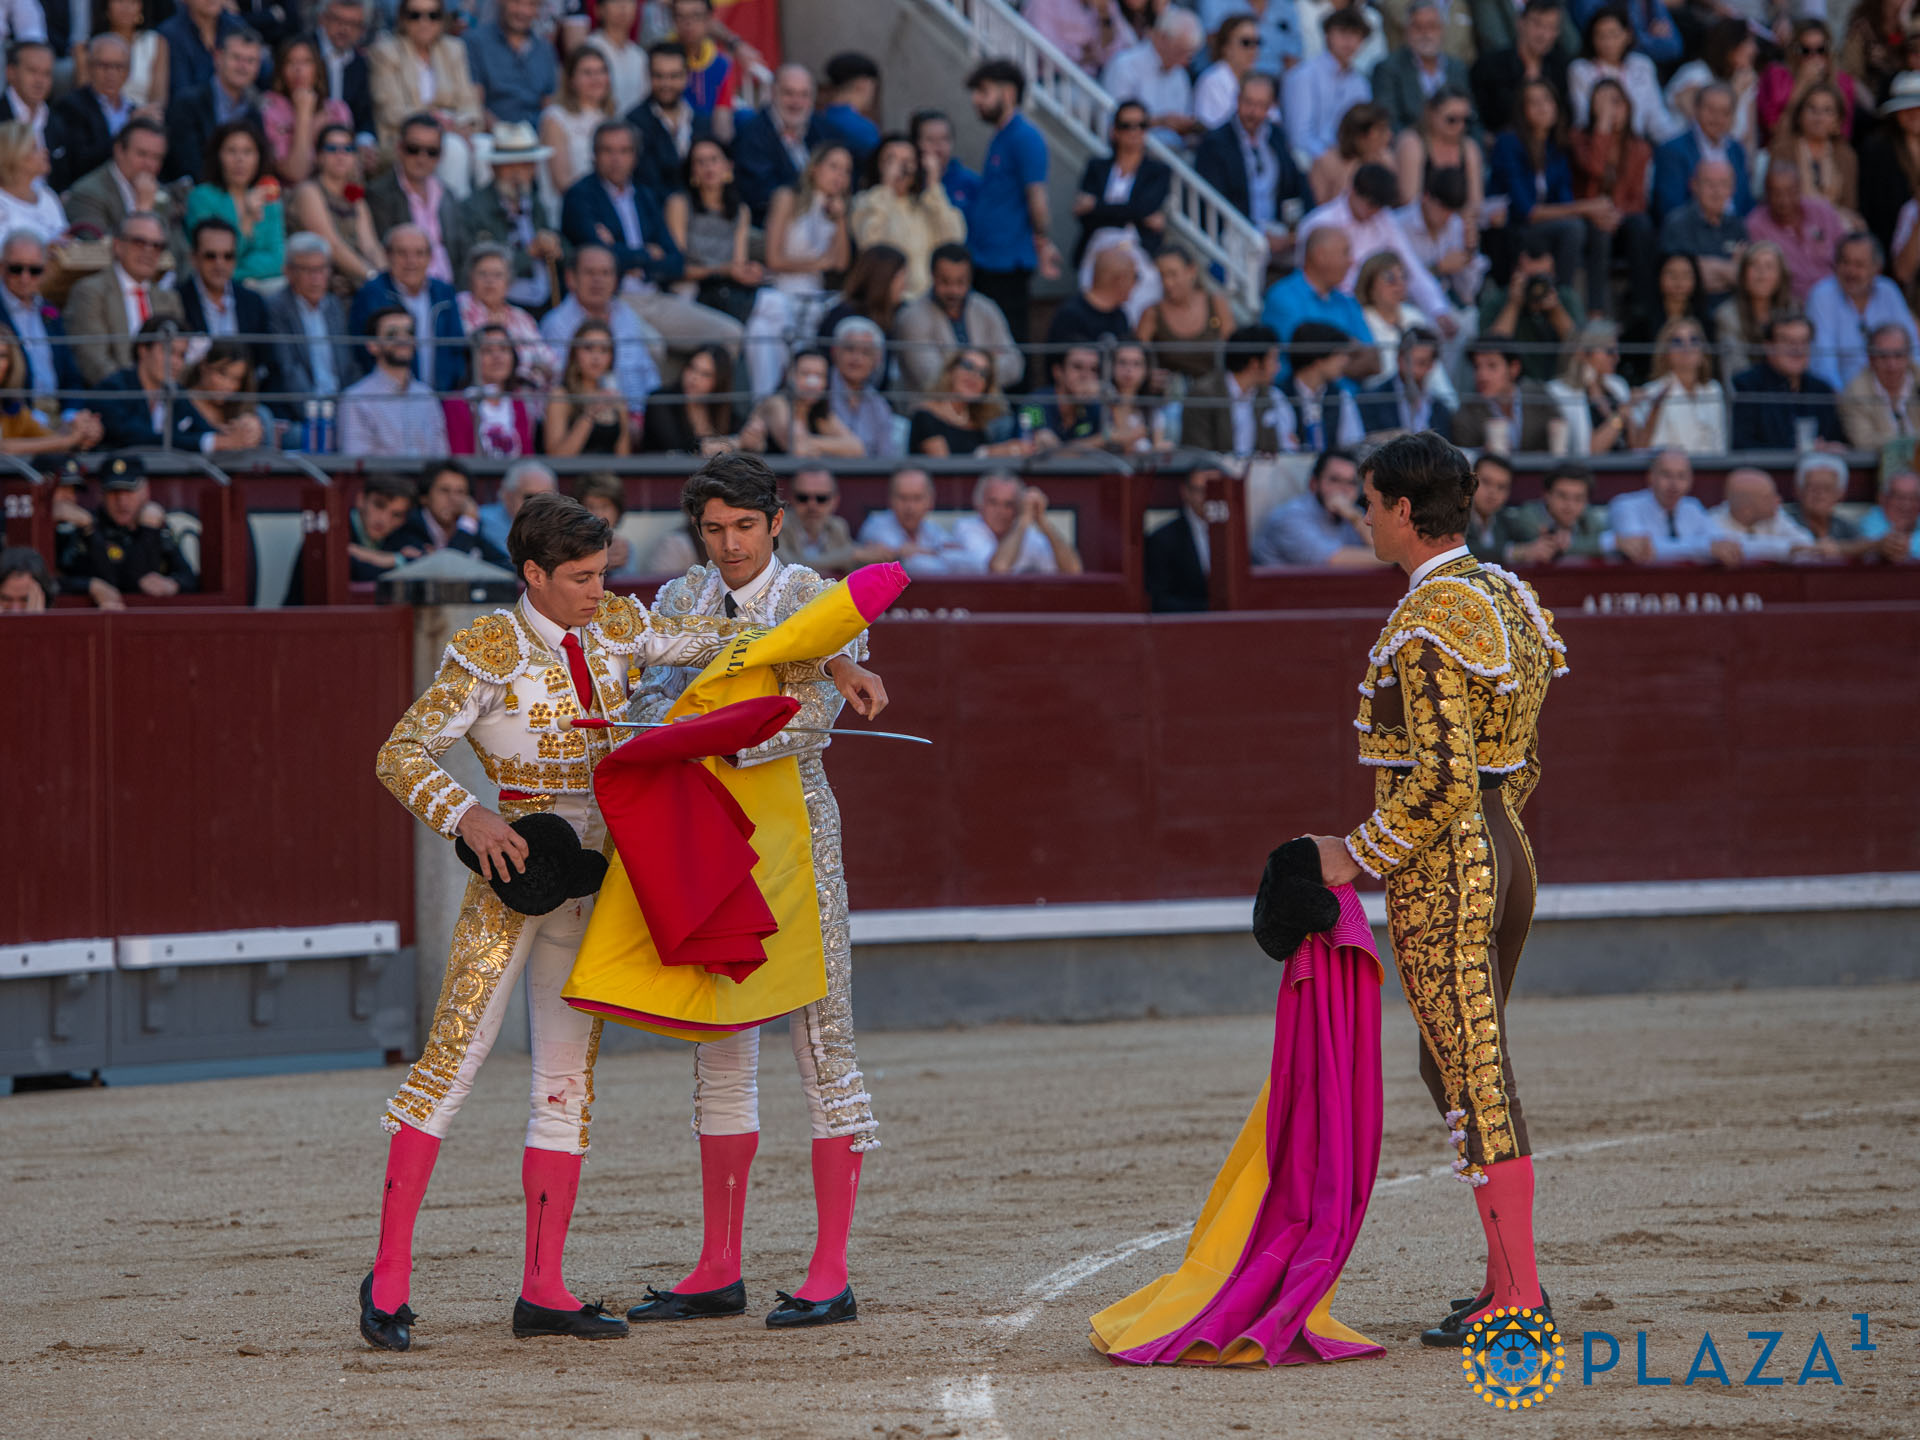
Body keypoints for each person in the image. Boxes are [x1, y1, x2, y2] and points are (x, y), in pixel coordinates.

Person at [359, 489, 818, 1352]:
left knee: (565, 1082)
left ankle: (544, 1287)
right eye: (579, 578)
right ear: (532, 574)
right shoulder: (489, 647)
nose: (597, 592)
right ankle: (387, 1282)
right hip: (516, 872)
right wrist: (470, 816)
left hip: (598, 881)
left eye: (604, 574)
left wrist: (830, 653)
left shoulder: (616, 623)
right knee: (450, 1066)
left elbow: (727, 639)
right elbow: (400, 752)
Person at [1303, 431, 1565, 1349]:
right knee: (1454, 1060)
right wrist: (1496, 843)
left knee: (1470, 1066)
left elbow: (1444, 777)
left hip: (1446, 866)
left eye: (1370, 503)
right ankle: (1504, 1282)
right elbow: (1515, 760)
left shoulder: (1426, 619)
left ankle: (1522, 1296)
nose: (1364, 517)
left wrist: (1358, 852)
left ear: (1405, 512)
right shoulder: (1503, 596)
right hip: (1506, 851)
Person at [619, 454, 889, 1332]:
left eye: (744, 527)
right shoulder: (679, 601)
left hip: (794, 835)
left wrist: (721, 739)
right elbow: (652, 696)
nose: (730, 545)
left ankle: (830, 1268)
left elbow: (814, 712)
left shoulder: (815, 597)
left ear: (776, 523)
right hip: (707, 834)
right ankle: (717, 1265)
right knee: (721, 1035)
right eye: (714, 529)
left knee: (822, 1036)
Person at [561, 118, 742, 357]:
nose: (616, 159)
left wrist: (628, 257)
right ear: (594, 154)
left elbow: (676, 259)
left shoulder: (645, 195)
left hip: (654, 296)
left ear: (635, 156)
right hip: (613, 301)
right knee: (653, 347)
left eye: (624, 151)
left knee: (731, 334)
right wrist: (646, 253)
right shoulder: (580, 196)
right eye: (608, 151)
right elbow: (599, 256)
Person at [1491, 78, 1613, 315]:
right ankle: (1563, 301)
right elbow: (1527, 211)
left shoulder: (1556, 147)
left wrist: (1593, 213)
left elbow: (1564, 202)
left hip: (1549, 230)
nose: (1542, 107)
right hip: (1514, 231)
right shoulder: (1508, 143)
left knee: (1598, 228)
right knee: (1574, 227)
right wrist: (1587, 207)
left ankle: (1596, 310)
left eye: (1547, 100)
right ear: (1522, 110)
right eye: (1534, 102)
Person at [1297, 162, 1457, 339]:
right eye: (1370, 205)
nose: (1374, 212)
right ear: (1353, 191)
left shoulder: (1384, 218)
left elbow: (1410, 265)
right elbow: (1306, 278)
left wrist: (1438, 310)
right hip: (1328, 307)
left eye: (1379, 207)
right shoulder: (1319, 223)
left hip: (1372, 311)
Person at [965, 58, 1060, 352]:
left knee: (1009, 340)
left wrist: (1042, 241)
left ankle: (1020, 399)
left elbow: (1037, 199)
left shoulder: (1025, 136)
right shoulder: (1004, 135)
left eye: (983, 91)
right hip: (987, 257)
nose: (975, 100)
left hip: (1007, 262)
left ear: (1008, 93)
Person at [745, 141, 852, 396]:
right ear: (815, 168)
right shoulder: (787, 199)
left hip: (816, 301)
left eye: (846, 171)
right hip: (780, 296)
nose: (840, 176)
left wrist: (841, 220)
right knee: (764, 339)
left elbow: (840, 263)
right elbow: (774, 258)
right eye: (834, 167)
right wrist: (817, 264)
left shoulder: (835, 212)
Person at [368, 0, 484, 195]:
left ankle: (484, 219)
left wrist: (461, 125)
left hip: (452, 128)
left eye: (433, 15)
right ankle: (452, 218)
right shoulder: (385, 52)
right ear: (403, 19)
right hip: (404, 137)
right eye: (415, 15)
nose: (425, 22)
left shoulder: (454, 49)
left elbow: (469, 103)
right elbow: (391, 112)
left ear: (442, 20)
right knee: (453, 150)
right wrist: (437, 122)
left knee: (485, 146)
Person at [64, 210, 185, 384]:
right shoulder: (90, 291)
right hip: (114, 398)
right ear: (118, 245)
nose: (148, 251)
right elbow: (93, 360)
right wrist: (137, 392)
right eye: (139, 242)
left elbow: (179, 357)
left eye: (157, 245)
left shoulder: (169, 299)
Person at [461, 120, 566, 320]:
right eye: (510, 166)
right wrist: (530, 253)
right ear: (494, 167)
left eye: (526, 165)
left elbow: (564, 249)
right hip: (500, 305)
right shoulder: (474, 208)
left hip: (544, 302)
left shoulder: (535, 203)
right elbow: (478, 266)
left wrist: (557, 248)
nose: (518, 174)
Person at [1569, 77, 1657, 308]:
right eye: (1603, 104)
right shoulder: (1578, 139)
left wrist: (1615, 213)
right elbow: (1595, 168)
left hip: (1622, 217)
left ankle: (1642, 307)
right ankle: (1596, 310)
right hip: (1586, 217)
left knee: (1642, 225)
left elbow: (1638, 198)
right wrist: (1603, 126)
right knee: (1599, 230)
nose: (1611, 110)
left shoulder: (1640, 147)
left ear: (1629, 106)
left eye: (1616, 102)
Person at [1193, 72, 1304, 251]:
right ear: (1237, 100)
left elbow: (1294, 182)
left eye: (1261, 105)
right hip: (1235, 234)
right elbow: (1215, 202)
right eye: (1248, 103)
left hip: (1276, 228)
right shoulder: (1215, 142)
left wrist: (1297, 227)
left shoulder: (1276, 136)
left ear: (1271, 106)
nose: (1254, 112)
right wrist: (1259, 234)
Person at [894, 243, 1022, 398]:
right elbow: (930, 377)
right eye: (945, 282)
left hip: (988, 412)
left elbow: (1015, 366)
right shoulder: (912, 317)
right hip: (934, 413)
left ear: (971, 279)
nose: (953, 290)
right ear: (932, 276)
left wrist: (957, 372)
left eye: (961, 282)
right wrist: (987, 367)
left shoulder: (986, 309)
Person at [851, 134, 966, 302]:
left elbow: (954, 241)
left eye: (907, 161)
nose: (900, 168)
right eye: (891, 160)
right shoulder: (865, 201)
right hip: (891, 301)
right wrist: (887, 189)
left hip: (930, 301)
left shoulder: (928, 203)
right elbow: (870, 244)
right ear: (878, 165)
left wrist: (934, 185)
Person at [367, 112, 473, 286]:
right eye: (413, 149)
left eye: (432, 152)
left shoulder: (448, 195)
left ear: (440, 156)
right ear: (400, 148)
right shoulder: (379, 194)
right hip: (403, 292)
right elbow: (383, 255)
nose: (422, 158)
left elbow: (462, 254)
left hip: (448, 292)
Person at [1806, 233, 1920, 391]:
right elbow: (1823, 364)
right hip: (1843, 397)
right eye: (1845, 262)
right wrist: (1846, 401)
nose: (1850, 271)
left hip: (1894, 395)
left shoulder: (1889, 291)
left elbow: (1913, 348)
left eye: (1859, 265)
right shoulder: (1822, 295)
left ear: (1876, 268)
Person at [1261, 227, 1377, 382]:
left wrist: (1329, 360)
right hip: (1297, 402)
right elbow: (1303, 358)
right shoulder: (1282, 297)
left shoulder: (1346, 301)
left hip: (1348, 401)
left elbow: (1374, 360)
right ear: (1320, 256)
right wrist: (1350, 349)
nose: (1351, 261)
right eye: (1345, 252)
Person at [1070, 101, 1170, 278]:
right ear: (1114, 131)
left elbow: (1144, 207)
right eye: (1126, 126)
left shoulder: (1158, 171)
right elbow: (1085, 217)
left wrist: (1097, 206)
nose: (1134, 132)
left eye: (1141, 125)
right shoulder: (1096, 166)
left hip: (1138, 250)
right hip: (1097, 250)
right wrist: (1137, 215)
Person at [77, 454, 199, 598]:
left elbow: (189, 578)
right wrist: (148, 532)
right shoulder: (90, 527)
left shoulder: (156, 524)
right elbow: (117, 582)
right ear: (101, 494)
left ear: (145, 491)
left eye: (129, 491)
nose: (122, 501)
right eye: (114, 492)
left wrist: (173, 584)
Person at [339, 305, 450, 458]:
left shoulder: (428, 396)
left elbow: (441, 456)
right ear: (372, 346)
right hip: (381, 482)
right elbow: (357, 464)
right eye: (392, 334)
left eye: (409, 332)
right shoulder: (355, 399)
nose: (403, 339)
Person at [290, 120, 385, 297]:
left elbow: (370, 246)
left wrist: (387, 277)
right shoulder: (308, 191)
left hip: (357, 277)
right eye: (332, 149)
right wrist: (373, 277)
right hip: (322, 282)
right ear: (319, 156)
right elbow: (332, 245)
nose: (341, 155)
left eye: (348, 149)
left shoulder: (354, 196)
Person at [162, 25, 264, 187]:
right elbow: (187, 165)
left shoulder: (254, 113)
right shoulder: (187, 103)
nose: (243, 67)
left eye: (250, 61)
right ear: (218, 57)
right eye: (236, 58)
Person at [186, 121, 284, 289]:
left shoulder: (268, 199)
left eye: (248, 152)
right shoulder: (202, 197)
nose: (240, 160)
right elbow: (212, 260)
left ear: (259, 157)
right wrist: (246, 219)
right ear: (218, 156)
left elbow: (277, 260)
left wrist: (238, 271)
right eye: (231, 151)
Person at [267, 232, 353, 423]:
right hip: (300, 413)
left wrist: (350, 410)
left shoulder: (335, 306)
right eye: (307, 270)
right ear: (289, 272)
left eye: (321, 269)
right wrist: (319, 417)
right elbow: (288, 370)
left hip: (340, 405)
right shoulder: (276, 308)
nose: (316, 278)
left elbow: (347, 365)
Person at [731, 62, 828, 225]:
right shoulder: (752, 134)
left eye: (804, 95)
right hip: (771, 227)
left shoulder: (821, 129)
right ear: (773, 93)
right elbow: (762, 194)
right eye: (789, 93)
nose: (796, 102)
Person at [1729, 312, 1843, 450]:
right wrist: (1794, 449)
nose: (1797, 349)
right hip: (1765, 469)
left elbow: (1837, 438)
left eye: (1804, 341)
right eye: (1788, 341)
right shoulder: (1746, 385)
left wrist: (1833, 447)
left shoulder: (1821, 389)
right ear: (1768, 346)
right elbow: (1742, 445)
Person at [457, 241, 560, 393]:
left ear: (509, 281)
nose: (490, 281)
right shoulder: (460, 307)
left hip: (526, 401)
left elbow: (551, 363)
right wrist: (530, 369)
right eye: (482, 274)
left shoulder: (522, 317)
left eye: (497, 275)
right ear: (471, 278)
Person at [0, 230, 85, 411]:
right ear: (1, 268)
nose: (25, 277)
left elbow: (71, 375)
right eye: (16, 269)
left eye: (34, 270)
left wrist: (71, 414)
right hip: (15, 419)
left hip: (58, 415)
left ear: (45, 270)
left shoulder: (50, 311)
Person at [1478, 234, 1580, 383]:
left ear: (1554, 274)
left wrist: (1556, 311)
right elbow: (1490, 351)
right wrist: (1513, 305)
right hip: (1513, 387)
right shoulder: (1498, 300)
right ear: (1516, 274)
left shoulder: (1566, 298)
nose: (1537, 287)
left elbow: (1582, 351)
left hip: (1560, 385)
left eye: (1544, 277)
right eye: (1531, 278)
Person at [1252, 447, 1378, 566]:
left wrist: (1355, 518)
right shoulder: (1289, 517)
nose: (1344, 490)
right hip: (1277, 588)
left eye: (1351, 483)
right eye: (1334, 480)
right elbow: (1332, 561)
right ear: (1314, 484)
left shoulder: (1353, 515)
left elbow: (1381, 547)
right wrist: (1391, 560)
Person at [1568, 4, 1676, 142]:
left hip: (1636, 147)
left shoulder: (1643, 65)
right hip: (1598, 144)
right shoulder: (1580, 70)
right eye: (1601, 35)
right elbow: (1582, 119)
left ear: (1628, 34)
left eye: (1613, 34)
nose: (1608, 43)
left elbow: (1657, 119)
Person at [63, 114, 175, 245]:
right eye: (142, 154)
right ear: (119, 150)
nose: (149, 164)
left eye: (156, 157)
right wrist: (143, 211)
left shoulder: (161, 192)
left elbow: (176, 250)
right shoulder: (88, 193)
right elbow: (97, 247)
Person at [1742, 163, 1841, 307]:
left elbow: (1844, 253)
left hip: (1836, 297)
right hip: (1790, 305)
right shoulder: (1755, 225)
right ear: (1766, 194)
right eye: (1776, 193)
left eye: (1790, 191)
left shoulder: (1823, 212)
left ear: (1800, 189)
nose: (1784, 200)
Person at [260, 34, 353, 186]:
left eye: (306, 62)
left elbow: (348, 170)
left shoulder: (337, 110)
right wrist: (304, 115)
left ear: (318, 69)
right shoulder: (269, 109)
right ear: (281, 71)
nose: (298, 69)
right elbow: (296, 173)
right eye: (290, 62)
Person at [1650, 81, 1750, 221]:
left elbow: (1745, 202)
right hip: (1691, 232)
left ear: (1733, 116)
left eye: (1725, 112)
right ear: (1696, 109)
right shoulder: (1672, 150)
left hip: (1733, 231)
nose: (1717, 118)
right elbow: (1670, 208)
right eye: (1711, 110)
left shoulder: (1736, 150)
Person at [948, 473, 1084, 575]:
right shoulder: (966, 527)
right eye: (993, 503)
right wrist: (1023, 521)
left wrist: (1043, 522)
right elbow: (998, 570)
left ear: (1018, 508)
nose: (1000, 512)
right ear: (979, 504)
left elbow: (1073, 570)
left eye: (1009, 505)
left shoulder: (1027, 534)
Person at [1285, 8, 1373, 165]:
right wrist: (1333, 157)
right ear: (1327, 35)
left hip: (1349, 159)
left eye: (1355, 34)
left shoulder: (1361, 83)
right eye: (1342, 33)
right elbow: (1299, 137)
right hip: (1309, 161)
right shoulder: (1303, 76)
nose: (1348, 40)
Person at [629, 41, 712, 206]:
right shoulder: (634, 123)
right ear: (649, 77)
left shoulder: (701, 120)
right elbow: (645, 183)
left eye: (674, 76)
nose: (666, 84)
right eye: (659, 76)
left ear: (687, 76)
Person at [1183, 321, 1286, 454]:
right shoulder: (1204, 394)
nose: (1278, 367)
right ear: (1254, 363)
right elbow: (1198, 451)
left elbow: (1271, 448)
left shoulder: (1266, 395)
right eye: (1273, 360)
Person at [50, 33, 136, 192]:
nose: (111, 73)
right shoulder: (70, 106)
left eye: (119, 66)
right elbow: (80, 162)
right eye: (103, 65)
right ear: (89, 67)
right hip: (89, 192)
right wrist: (128, 131)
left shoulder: (135, 110)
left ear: (128, 71)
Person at [739, 348, 863, 458]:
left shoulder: (818, 412)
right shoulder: (775, 403)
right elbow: (797, 448)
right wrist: (831, 446)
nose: (812, 383)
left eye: (819, 376)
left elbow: (857, 448)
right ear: (789, 376)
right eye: (805, 374)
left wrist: (813, 442)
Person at [1373, 1, 1474, 135]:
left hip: (1455, 144)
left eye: (1432, 26)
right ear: (1407, 32)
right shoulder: (1388, 69)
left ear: (1442, 29)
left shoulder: (1457, 68)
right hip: (1410, 147)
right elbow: (1389, 122)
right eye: (1417, 27)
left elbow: (1472, 119)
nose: (1425, 33)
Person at [1136, 245, 1234, 383]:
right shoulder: (1152, 313)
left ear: (1191, 271)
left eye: (1173, 274)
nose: (1167, 283)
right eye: (1162, 276)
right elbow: (1136, 356)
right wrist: (1150, 375)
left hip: (1213, 393)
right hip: (1170, 397)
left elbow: (1233, 351)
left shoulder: (1216, 304)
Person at [1471, 0, 1570, 136]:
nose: (1544, 35)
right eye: (1537, 24)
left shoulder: (1561, 67)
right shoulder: (1489, 65)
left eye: (1551, 27)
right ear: (1520, 23)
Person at [1657, 157, 1746, 302]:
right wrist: (1729, 270)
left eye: (1723, 184)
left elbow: (1745, 277)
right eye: (1709, 183)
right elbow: (1686, 278)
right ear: (1694, 185)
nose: (1716, 191)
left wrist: (1712, 267)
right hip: (1691, 309)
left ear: (1732, 189)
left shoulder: (1737, 226)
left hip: (1732, 308)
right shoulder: (1677, 223)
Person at [1663, 15, 1756, 152]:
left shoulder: (1744, 83)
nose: (1754, 49)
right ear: (1731, 48)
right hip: (1687, 160)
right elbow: (1705, 127)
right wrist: (1734, 92)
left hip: (1724, 167)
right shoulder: (1695, 74)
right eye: (1749, 42)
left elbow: (1750, 141)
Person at [539, 45, 615, 212]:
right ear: (572, 80)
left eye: (602, 71)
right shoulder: (555, 117)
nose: (596, 79)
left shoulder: (611, 118)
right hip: (572, 210)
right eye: (587, 73)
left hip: (610, 209)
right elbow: (562, 182)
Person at [92, 317, 188, 448]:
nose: (176, 363)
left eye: (182, 355)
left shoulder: (176, 390)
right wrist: (203, 442)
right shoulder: (113, 388)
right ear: (143, 350)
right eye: (169, 352)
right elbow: (135, 437)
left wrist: (218, 438)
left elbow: (202, 428)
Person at [445, 322, 539, 457]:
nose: (497, 357)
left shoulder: (517, 401)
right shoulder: (457, 403)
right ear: (472, 359)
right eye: (487, 350)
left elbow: (527, 455)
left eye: (503, 349)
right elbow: (461, 456)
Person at [908, 346, 1019, 457]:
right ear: (951, 371)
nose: (975, 376)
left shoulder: (977, 425)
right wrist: (987, 453)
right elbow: (943, 466)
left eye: (983, 374)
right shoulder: (925, 415)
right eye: (968, 366)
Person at [1758, 16, 1853, 146]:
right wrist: (1801, 85)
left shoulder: (1843, 82)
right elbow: (1773, 131)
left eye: (1821, 50)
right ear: (1794, 51)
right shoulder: (1776, 75)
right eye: (1805, 51)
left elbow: (1842, 133)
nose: (1814, 57)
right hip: (1785, 150)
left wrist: (1828, 85)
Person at [1609, 445, 1712, 562]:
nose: (1674, 484)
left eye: (1681, 476)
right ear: (1651, 477)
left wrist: (1711, 547)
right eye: (1666, 475)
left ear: (1690, 481)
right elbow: (1642, 550)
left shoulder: (1693, 507)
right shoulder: (1625, 505)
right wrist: (1705, 548)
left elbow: (1720, 542)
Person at [393, 458, 508, 564]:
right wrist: (467, 524)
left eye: (460, 492)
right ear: (424, 498)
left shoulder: (469, 529)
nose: (453, 499)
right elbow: (449, 569)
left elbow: (507, 566)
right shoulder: (409, 528)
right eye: (444, 491)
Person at [467, 0, 558, 132]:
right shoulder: (475, 43)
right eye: (516, 2)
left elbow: (548, 105)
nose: (523, 11)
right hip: (490, 136)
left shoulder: (545, 50)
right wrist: (505, 134)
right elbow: (474, 103)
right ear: (500, 2)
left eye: (531, 5)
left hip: (537, 137)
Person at [545, 319, 631, 456]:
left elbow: (624, 458)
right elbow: (556, 457)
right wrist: (589, 416)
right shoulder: (560, 396)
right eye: (588, 348)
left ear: (611, 357)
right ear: (575, 353)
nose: (596, 357)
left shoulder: (617, 399)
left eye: (604, 350)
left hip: (610, 476)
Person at [1394, 86, 1481, 220]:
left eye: (1466, 120)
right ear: (1432, 114)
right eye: (1452, 119)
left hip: (1457, 225)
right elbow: (1409, 201)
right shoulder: (1412, 143)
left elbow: (1475, 203)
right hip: (1417, 226)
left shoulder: (1469, 147)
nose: (1460, 126)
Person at [1454, 336, 1554, 450]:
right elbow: (1463, 455)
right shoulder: (1467, 410)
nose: (1481, 375)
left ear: (1514, 368)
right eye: (1477, 367)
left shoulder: (1537, 395)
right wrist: (1481, 454)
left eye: (1492, 366)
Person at [1545, 318, 1629, 454]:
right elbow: (1587, 451)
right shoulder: (1558, 392)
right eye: (1609, 351)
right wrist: (1620, 417)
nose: (1617, 358)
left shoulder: (1618, 385)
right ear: (1582, 353)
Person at [641, 339, 740, 453]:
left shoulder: (723, 410)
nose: (694, 378)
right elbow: (675, 447)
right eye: (692, 368)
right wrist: (732, 443)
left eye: (705, 374)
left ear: (719, 382)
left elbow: (742, 433)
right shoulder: (660, 400)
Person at [1357, 323, 1454, 439]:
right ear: (1398, 358)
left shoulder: (1440, 409)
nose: (1412, 369)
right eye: (1408, 361)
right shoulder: (1371, 400)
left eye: (1421, 363)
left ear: (1431, 366)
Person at [853, 465, 957, 572]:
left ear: (930, 500)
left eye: (917, 498)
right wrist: (936, 552)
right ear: (890, 499)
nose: (910, 507)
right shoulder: (876, 526)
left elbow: (957, 555)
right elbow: (905, 563)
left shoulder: (932, 528)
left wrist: (926, 551)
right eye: (903, 498)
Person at [1505, 460, 1613, 562]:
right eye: (1562, 496)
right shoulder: (1528, 515)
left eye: (1578, 498)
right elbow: (1549, 550)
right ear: (1546, 495)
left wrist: (1571, 544)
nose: (1570, 505)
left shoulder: (1589, 517)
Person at [1143, 463, 1215, 612]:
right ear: (1186, 492)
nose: (1209, 497)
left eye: (1215, 490)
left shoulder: (1233, 534)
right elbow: (1159, 601)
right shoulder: (1162, 539)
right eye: (1201, 491)